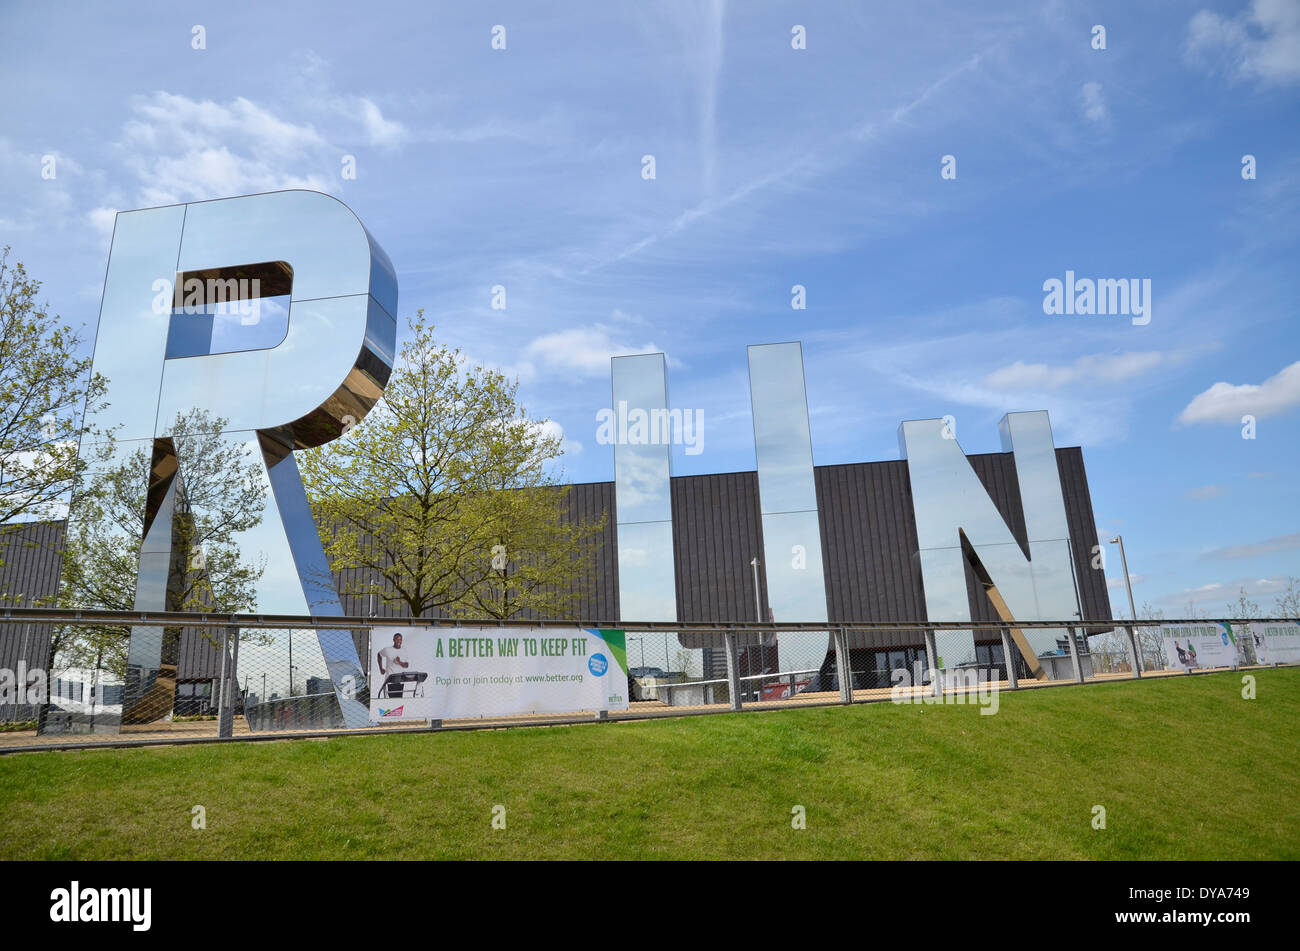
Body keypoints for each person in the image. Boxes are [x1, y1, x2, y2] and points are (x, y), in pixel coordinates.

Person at [377, 633, 410, 697]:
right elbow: (379, 655)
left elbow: (406, 665)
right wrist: (381, 668)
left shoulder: (404, 650)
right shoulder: (387, 649)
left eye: (400, 639)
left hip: (400, 679)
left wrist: (399, 662)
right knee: (391, 699)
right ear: (393, 640)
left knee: (399, 699)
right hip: (390, 679)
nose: (399, 641)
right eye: (397, 639)